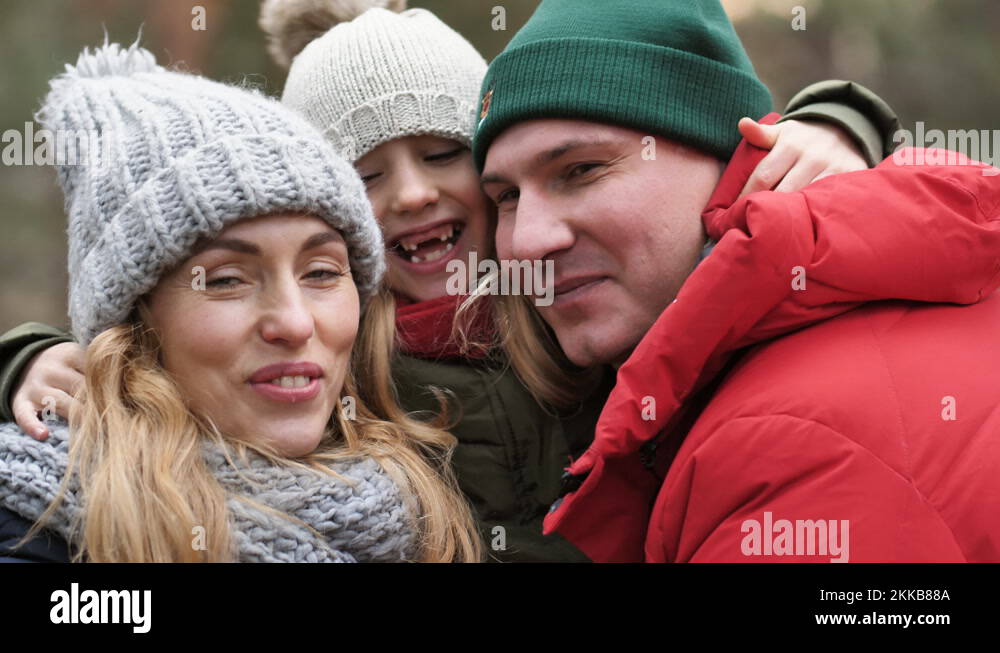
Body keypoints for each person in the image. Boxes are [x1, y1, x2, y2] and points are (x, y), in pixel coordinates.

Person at [1, 0, 902, 561]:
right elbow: (155, 364)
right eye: (367, 176)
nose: (416, 193)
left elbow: (721, 242)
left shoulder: (576, 306)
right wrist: (29, 362)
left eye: (444, 153)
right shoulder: (332, 363)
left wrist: (837, 123)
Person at [473, 0, 1000, 561]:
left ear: (736, 158)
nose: (528, 243)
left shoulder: (787, 451)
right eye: (506, 196)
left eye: (582, 170)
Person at [0, 41, 481, 563]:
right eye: (228, 280)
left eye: (321, 272)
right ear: (134, 322)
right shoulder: (34, 526)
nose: (295, 323)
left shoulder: (419, 509)